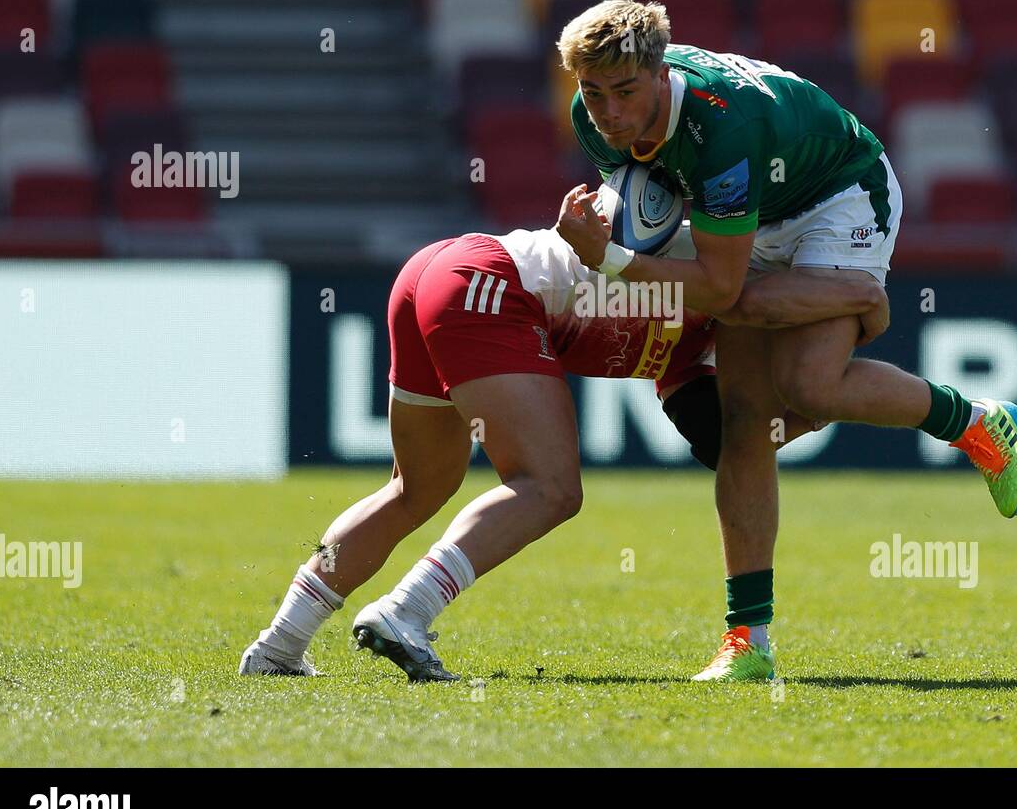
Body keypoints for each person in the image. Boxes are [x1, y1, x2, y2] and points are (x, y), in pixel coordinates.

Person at [554, 0, 1017, 681]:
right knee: (746, 423)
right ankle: (749, 645)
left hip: (837, 196)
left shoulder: (722, 126)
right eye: (593, 92)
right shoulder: (594, 118)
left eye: (624, 92)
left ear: (661, 75)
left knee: (808, 382)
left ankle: (976, 420)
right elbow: (652, 213)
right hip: (748, 213)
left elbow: (716, 287)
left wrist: (606, 259)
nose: (607, 113)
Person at [239, 221, 888, 679]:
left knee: (415, 489)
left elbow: (719, 440)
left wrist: (812, 408)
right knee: (549, 488)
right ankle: (406, 612)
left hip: (447, 274)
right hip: (490, 285)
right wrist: (863, 301)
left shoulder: (699, 347)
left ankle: (279, 645)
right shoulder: (726, 288)